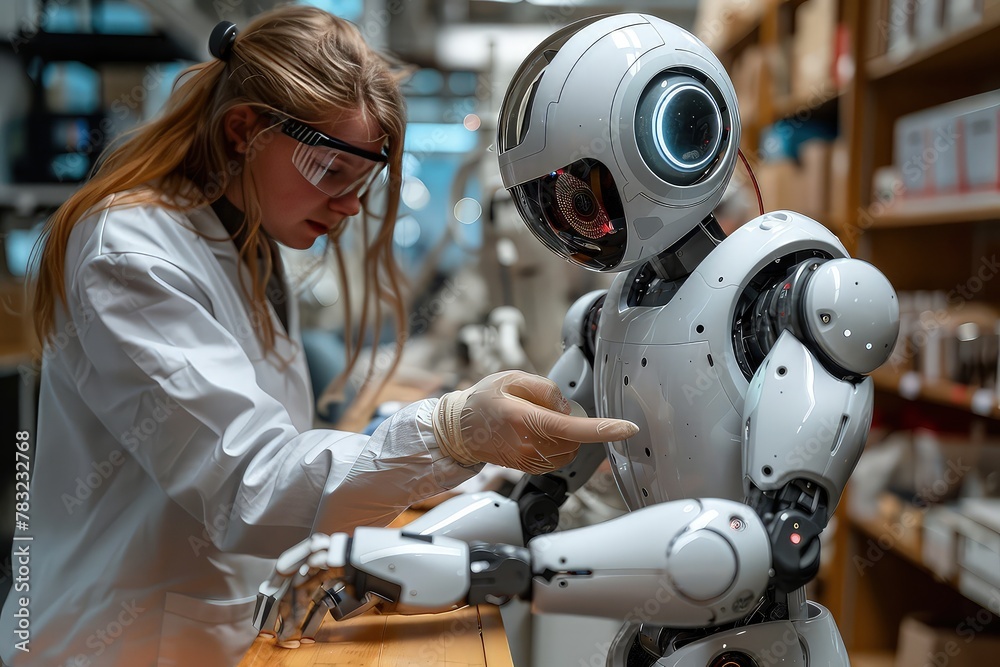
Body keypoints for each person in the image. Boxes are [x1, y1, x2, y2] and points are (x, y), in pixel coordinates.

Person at [0, 7, 638, 666]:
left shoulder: (245, 236)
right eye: (331, 171)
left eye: (361, 182)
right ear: (243, 131)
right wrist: (449, 432)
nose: (351, 205)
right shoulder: (130, 254)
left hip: (205, 625)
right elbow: (249, 482)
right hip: (110, 641)